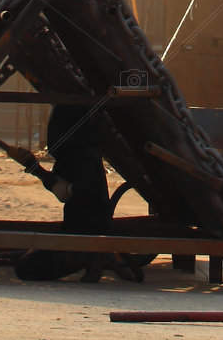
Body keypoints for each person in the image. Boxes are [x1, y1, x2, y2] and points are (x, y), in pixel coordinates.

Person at [14, 107, 141, 284]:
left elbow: (65, 192)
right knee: (25, 263)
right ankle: (91, 258)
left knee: (26, 268)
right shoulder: (78, 154)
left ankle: (89, 258)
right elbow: (64, 190)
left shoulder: (82, 157)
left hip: (85, 233)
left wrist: (35, 169)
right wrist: (33, 167)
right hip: (78, 230)